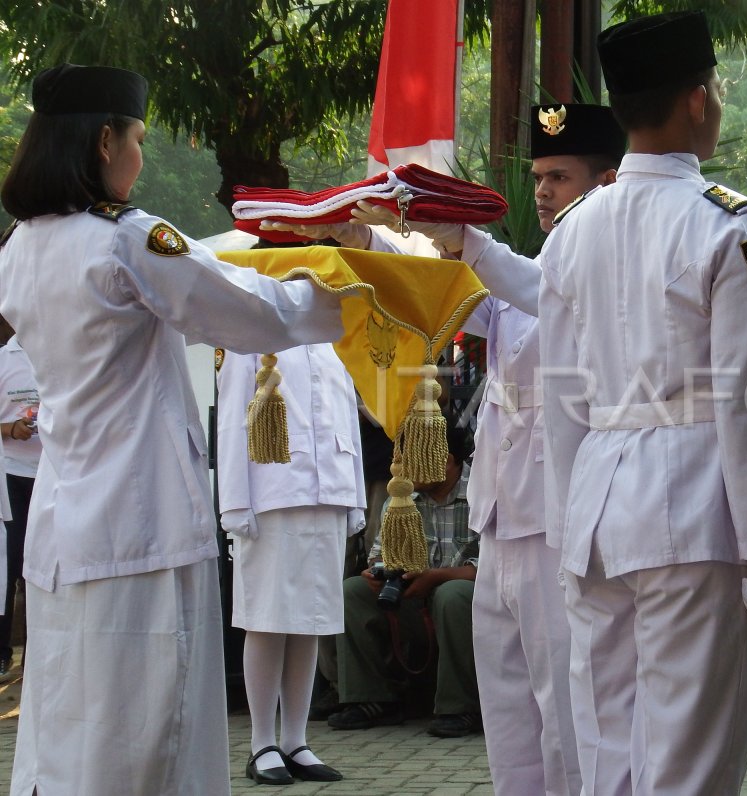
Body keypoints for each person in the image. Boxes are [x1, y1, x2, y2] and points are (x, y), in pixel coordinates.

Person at [0, 63, 345, 795]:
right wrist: (362, 290)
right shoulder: (126, 239)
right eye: (139, 138)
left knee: (70, 723)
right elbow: (250, 312)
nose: (141, 156)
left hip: (67, 525)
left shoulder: (21, 246)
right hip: (141, 518)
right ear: (104, 143)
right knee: (149, 729)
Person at [266, 102, 624, 794]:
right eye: (540, 176)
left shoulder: (600, 261)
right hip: (505, 510)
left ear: (606, 182)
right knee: (509, 695)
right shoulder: (540, 260)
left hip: (561, 515)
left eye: (560, 177)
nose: (543, 191)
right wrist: (370, 239)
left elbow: (529, 289)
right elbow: (453, 293)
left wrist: (467, 238)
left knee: (568, 698)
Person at [537, 12, 747, 794]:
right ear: (695, 99)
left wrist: (564, 529)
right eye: (716, 85)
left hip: (597, 506)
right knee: (690, 759)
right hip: (693, 510)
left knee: (610, 756)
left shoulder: (572, 230)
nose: (718, 99)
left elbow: (561, 402)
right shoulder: (728, 223)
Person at [217, 343, 366, 785]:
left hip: (329, 493)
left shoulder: (333, 346)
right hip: (274, 491)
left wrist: (354, 494)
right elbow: (231, 423)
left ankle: (295, 740)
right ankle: (262, 741)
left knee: (310, 621)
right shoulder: (251, 340)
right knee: (266, 619)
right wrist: (234, 503)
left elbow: (348, 422)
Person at [327, 425, 482, 739]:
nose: (401, 468)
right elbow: (379, 554)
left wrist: (436, 577)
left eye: (412, 460)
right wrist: (377, 571)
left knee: (451, 595)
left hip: (471, 605)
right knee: (352, 591)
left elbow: (495, 568)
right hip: (414, 600)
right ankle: (372, 699)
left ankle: (459, 707)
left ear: (446, 459)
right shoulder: (402, 494)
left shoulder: (482, 491)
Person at [0, 316, 39, 682]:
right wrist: (10, 428)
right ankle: (3, 654)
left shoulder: (56, 355)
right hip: (11, 476)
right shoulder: (3, 360)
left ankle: (36, 658)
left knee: (39, 571)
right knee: (10, 568)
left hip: (51, 474)